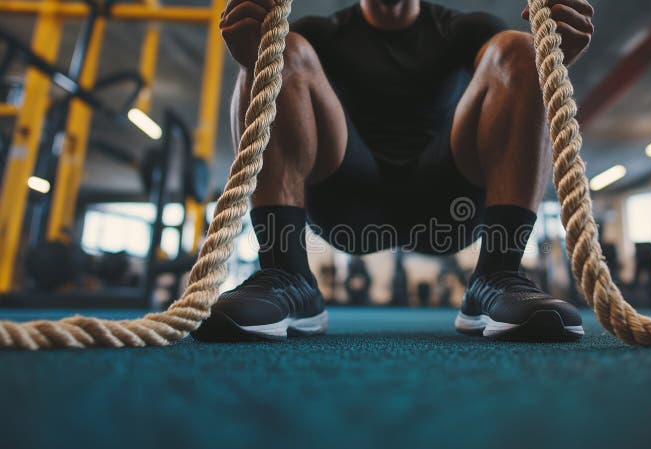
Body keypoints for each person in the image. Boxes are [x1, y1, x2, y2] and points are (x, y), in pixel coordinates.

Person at [192, 0, 594, 342]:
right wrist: (253, 60)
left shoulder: (465, 30)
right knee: (282, 49)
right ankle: (287, 275)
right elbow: (268, 79)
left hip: (450, 204)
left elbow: (522, 81)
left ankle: (497, 275)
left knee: (521, 50)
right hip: (346, 202)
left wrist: (551, 60)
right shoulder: (323, 33)